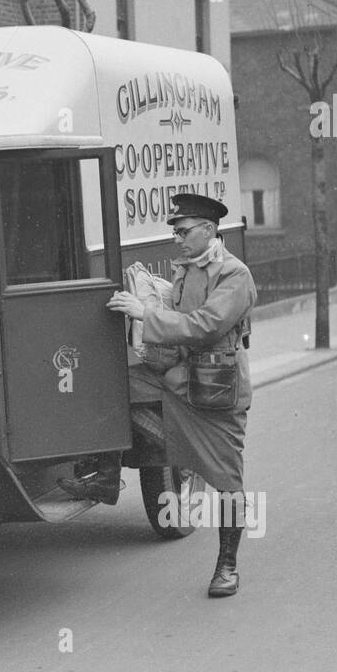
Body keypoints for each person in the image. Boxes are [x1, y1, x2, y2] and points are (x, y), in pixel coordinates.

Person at [107, 193, 257, 598]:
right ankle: (102, 471)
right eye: (175, 231)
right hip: (180, 377)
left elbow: (205, 325)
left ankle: (227, 565)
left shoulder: (233, 274)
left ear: (209, 231)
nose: (177, 238)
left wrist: (146, 314)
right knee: (114, 384)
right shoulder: (187, 270)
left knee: (227, 480)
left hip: (217, 389)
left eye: (184, 230)